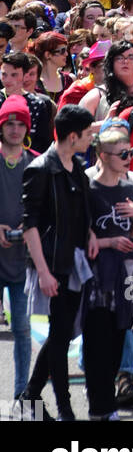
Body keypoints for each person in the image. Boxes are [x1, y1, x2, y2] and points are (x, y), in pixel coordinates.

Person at [19, 104, 98, 421]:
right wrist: (42, 272)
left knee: (62, 334)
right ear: (73, 135)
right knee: (61, 333)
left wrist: (90, 232)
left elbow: (81, 208)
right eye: (89, 134)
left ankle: (29, 398)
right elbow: (30, 225)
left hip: (75, 262)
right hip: (51, 265)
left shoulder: (76, 166)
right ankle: (64, 408)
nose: (91, 139)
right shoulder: (40, 169)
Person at [82, 125, 133, 421]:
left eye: (130, 152)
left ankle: (107, 403)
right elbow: (85, 238)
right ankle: (101, 407)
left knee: (123, 330)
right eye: (123, 154)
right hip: (99, 276)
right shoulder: (89, 191)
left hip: (128, 273)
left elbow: (132, 239)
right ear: (103, 156)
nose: (128, 158)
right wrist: (108, 241)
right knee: (98, 341)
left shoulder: (131, 189)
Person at [0, 95, 36, 400]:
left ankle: (22, 399)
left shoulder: (36, 162)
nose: (14, 129)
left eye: (19, 124)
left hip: (23, 260)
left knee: (23, 332)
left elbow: (45, 209)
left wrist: (31, 228)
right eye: (8, 123)